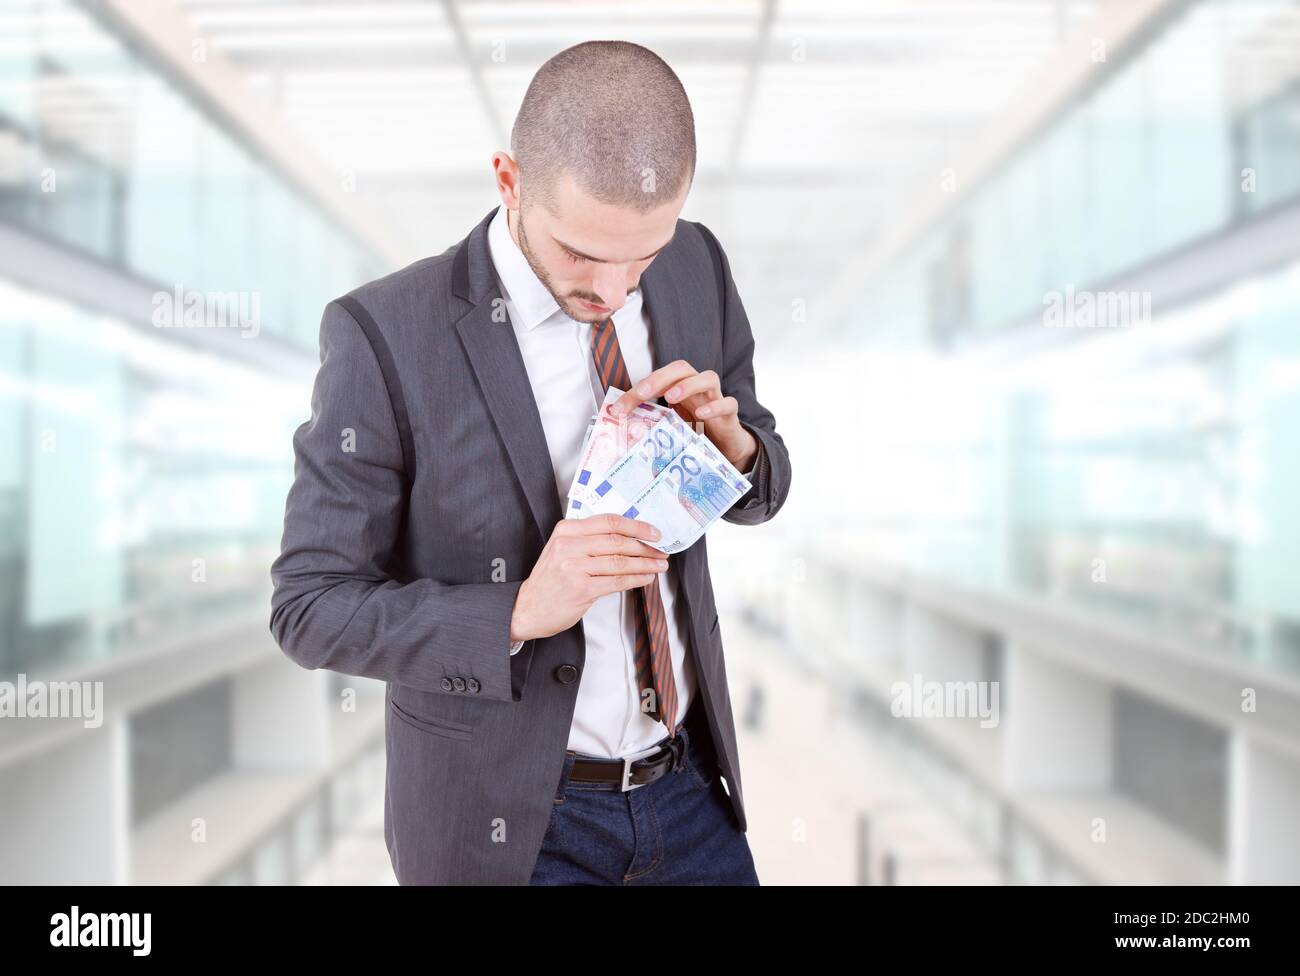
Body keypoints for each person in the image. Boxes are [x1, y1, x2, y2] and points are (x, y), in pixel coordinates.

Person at [270, 39, 791, 885]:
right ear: (509, 181)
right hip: (510, 826)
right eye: (583, 253)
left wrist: (736, 449)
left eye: (642, 257)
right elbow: (310, 607)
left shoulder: (697, 264)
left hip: (690, 799)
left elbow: (763, 483)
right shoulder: (386, 336)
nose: (617, 290)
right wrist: (517, 609)